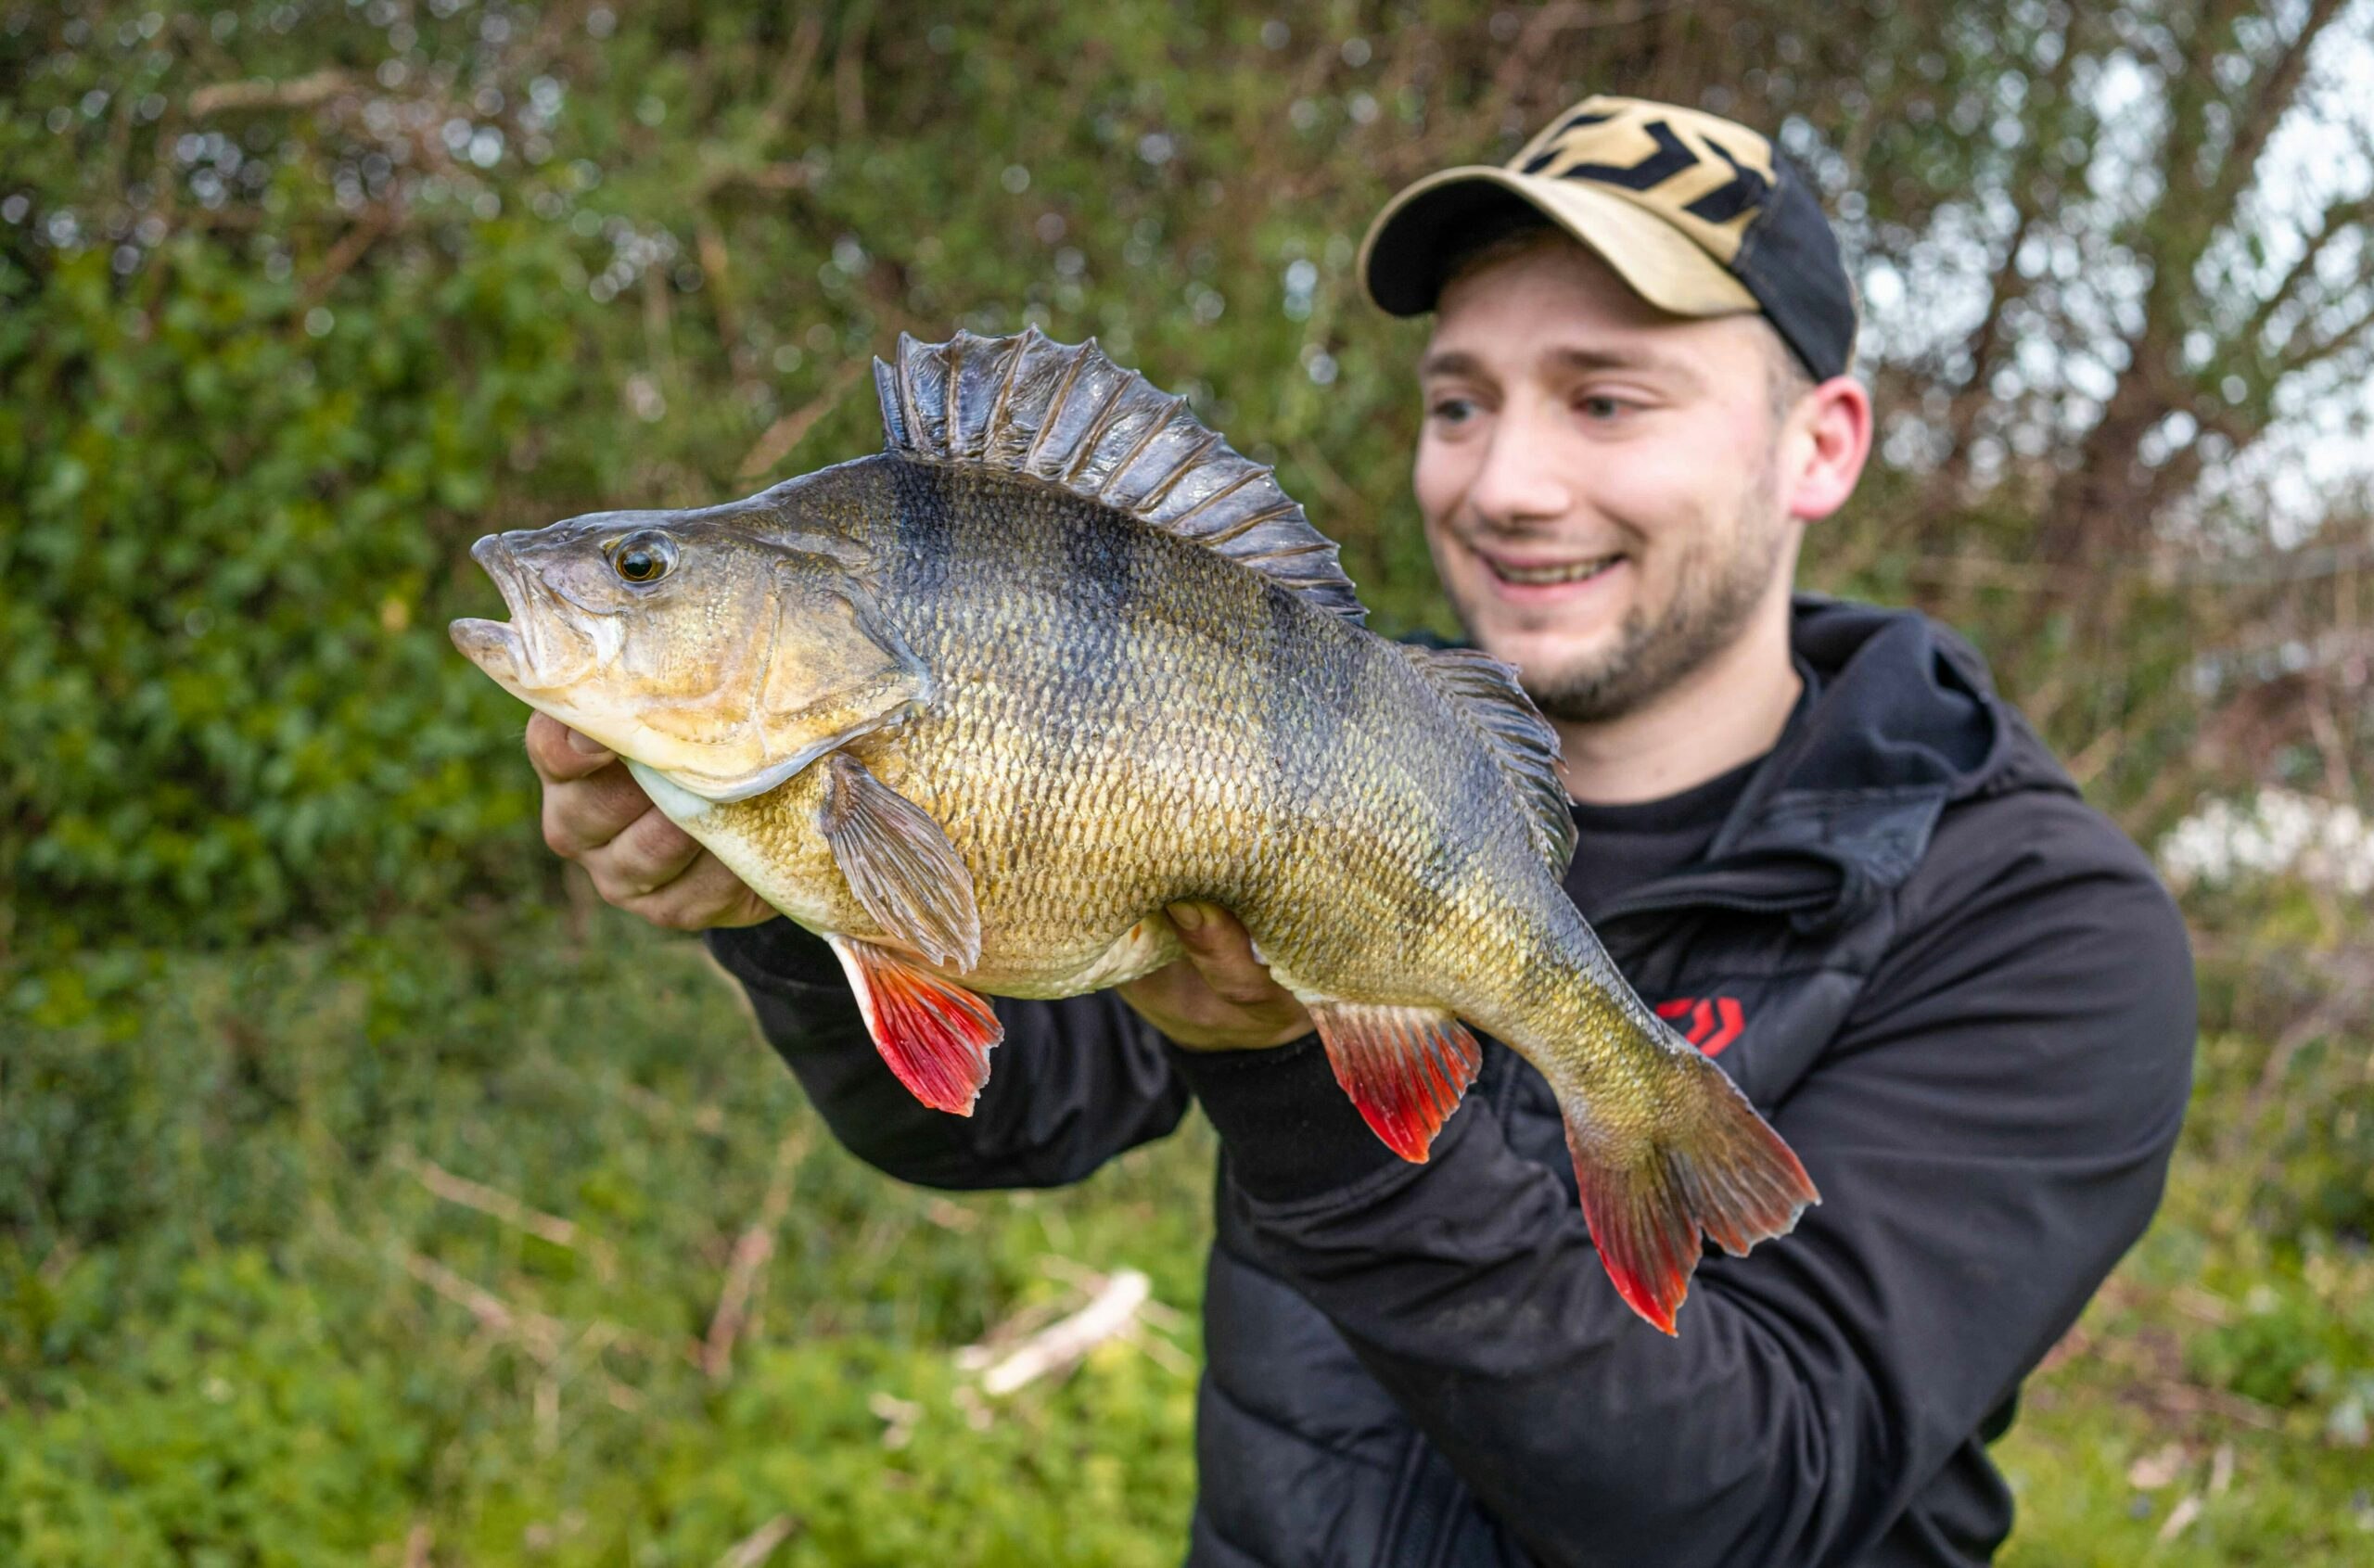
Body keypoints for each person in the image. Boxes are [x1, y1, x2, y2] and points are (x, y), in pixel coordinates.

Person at [523, 96, 2196, 1567]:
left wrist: (1284, 1072)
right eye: (1459, 402)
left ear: (1819, 444)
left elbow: (1743, 1503)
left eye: (1607, 400)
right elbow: (1005, 1120)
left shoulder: (2047, 930)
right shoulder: (1337, 729)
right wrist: (768, 894)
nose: (1507, 482)